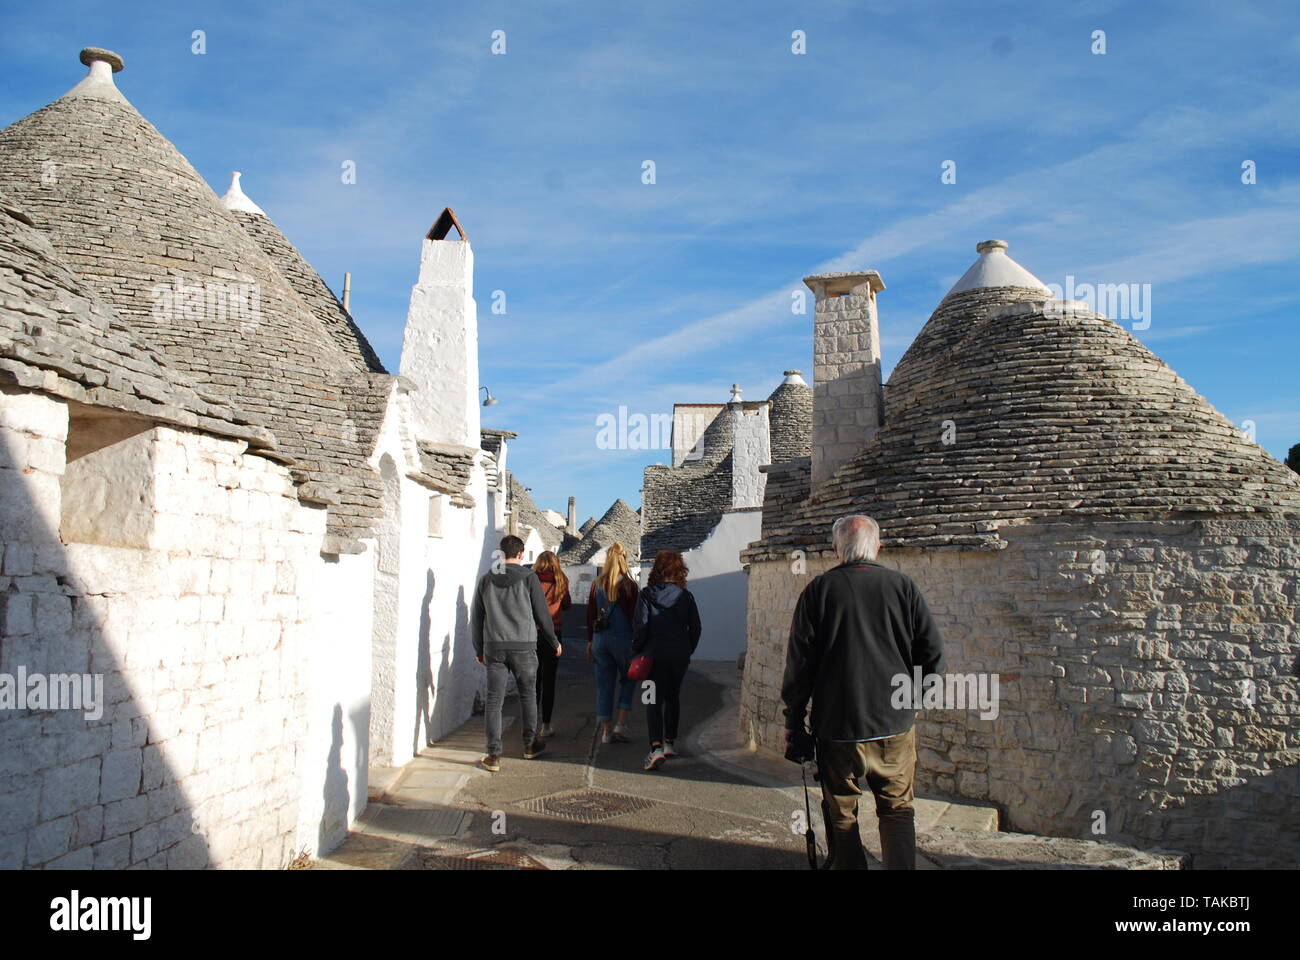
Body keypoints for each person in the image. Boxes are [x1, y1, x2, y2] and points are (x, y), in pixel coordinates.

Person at [782, 515, 945, 870]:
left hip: (837, 725)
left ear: (836, 549)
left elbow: (800, 664)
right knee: (897, 809)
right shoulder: (903, 587)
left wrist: (793, 720)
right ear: (878, 547)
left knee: (841, 810)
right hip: (894, 724)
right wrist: (915, 698)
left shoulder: (818, 591)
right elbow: (932, 653)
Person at [471, 535, 561, 772]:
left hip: (495, 646)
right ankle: (530, 744)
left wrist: (479, 648)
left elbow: (477, 617)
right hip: (523, 645)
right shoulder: (529, 578)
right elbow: (542, 614)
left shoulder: (486, 580)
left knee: (494, 700)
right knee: (528, 695)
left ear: (502, 554)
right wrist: (553, 641)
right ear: (521, 554)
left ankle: (493, 755)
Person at [632, 549, 701, 771]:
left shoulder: (646, 595)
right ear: (680, 570)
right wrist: (687, 649)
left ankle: (655, 748)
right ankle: (670, 742)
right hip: (679, 655)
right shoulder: (686, 597)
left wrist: (637, 649)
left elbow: (641, 627)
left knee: (652, 700)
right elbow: (696, 628)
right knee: (672, 697)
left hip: (653, 656)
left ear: (657, 570)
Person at [585, 541, 639, 744]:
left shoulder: (597, 584)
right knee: (628, 679)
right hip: (623, 639)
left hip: (600, 640)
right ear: (624, 559)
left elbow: (590, 614)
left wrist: (590, 640)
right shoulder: (629, 586)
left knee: (604, 685)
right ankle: (621, 725)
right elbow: (635, 616)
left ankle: (606, 732)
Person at [532, 550, 571, 738]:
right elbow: (568, 605)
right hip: (554, 635)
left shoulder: (532, 580)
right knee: (549, 680)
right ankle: (546, 725)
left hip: (533, 634)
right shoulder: (561, 580)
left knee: (534, 681)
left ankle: (531, 723)